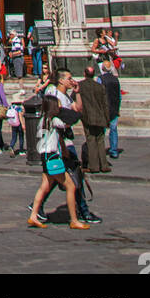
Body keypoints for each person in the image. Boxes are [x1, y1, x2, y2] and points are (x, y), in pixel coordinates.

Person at [35, 69, 101, 226]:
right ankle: (81, 213)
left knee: (52, 181)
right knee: (72, 179)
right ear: (61, 80)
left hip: (60, 145)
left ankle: (36, 208)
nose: (72, 80)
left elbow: (78, 109)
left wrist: (77, 92)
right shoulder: (54, 95)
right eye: (69, 78)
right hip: (61, 145)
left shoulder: (64, 96)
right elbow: (66, 119)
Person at [28, 94, 89, 230]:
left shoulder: (42, 120)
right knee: (71, 186)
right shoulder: (54, 120)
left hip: (44, 156)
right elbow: (69, 122)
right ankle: (74, 219)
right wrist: (71, 112)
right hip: (52, 156)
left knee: (44, 187)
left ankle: (33, 215)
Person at [78, 64, 111, 173]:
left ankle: (94, 166)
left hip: (88, 117)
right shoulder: (100, 86)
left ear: (84, 74)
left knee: (91, 141)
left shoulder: (80, 86)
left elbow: (75, 99)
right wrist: (107, 119)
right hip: (100, 117)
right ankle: (104, 165)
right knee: (101, 141)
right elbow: (105, 104)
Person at [100, 58, 123, 159]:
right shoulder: (115, 79)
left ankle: (100, 150)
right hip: (114, 107)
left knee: (102, 131)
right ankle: (114, 150)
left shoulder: (100, 79)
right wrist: (118, 108)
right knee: (113, 129)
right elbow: (119, 95)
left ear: (102, 68)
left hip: (104, 108)